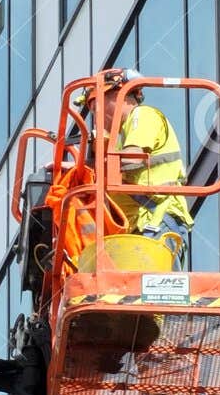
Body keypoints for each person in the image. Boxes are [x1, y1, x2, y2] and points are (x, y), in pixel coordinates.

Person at [78, 68, 194, 268]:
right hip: (141, 227)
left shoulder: (143, 115)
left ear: (118, 95)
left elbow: (132, 159)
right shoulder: (122, 135)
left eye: (96, 104)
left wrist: (97, 162)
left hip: (156, 222)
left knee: (152, 292)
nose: (95, 113)